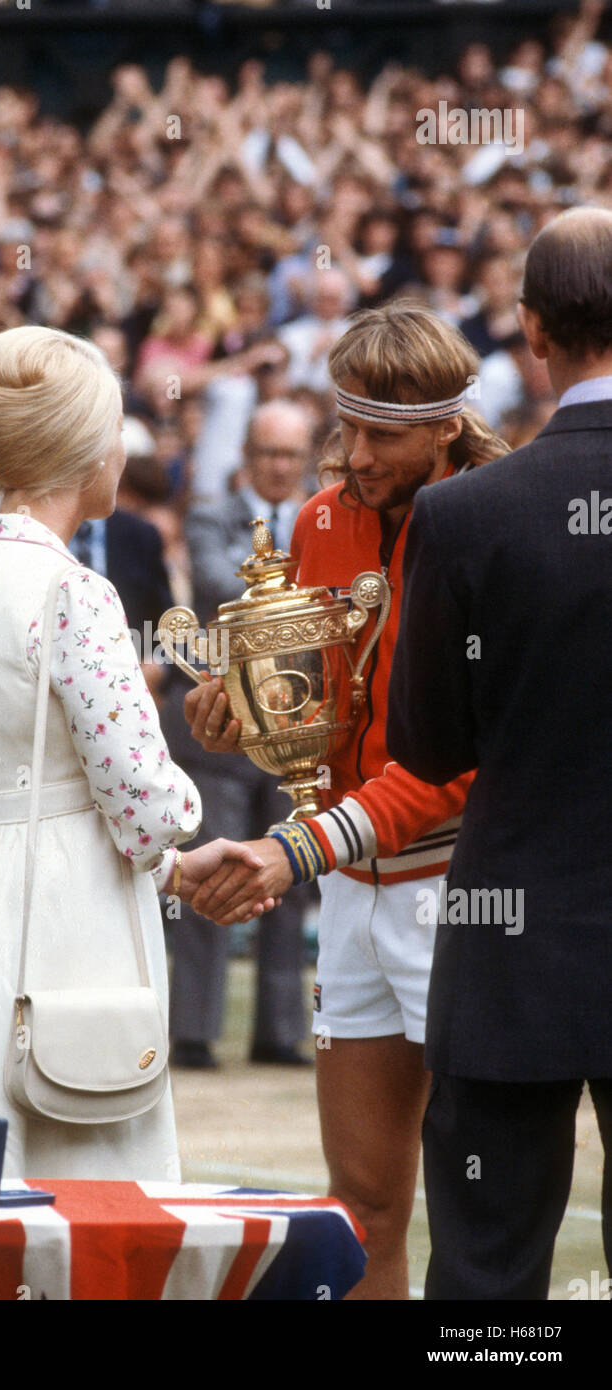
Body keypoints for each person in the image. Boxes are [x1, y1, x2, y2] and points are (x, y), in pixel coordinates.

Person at [0, 327, 276, 1212]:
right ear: (84, 448)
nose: (124, 448)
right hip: (57, 912)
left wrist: (168, 871)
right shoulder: (73, 589)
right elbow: (148, 802)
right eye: (115, 427)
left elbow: (39, 773)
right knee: (69, 1184)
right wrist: (198, 795)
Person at [186, 304, 509, 1298]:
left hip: (459, 891)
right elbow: (322, 710)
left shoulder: (495, 515)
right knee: (359, 1209)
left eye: (378, 433)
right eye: (345, 426)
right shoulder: (319, 518)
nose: (351, 454)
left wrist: (300, 845)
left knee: (479, 1216)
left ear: (443, 425)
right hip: (349, 889)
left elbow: (462, 752)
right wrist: (245, 713)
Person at [387, 207, 612, 1300]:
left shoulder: (462, 511)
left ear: (528, 331)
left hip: (511, 936)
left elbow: (425, 742)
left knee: (484, 1270)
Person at [163, 400, 315, 1069]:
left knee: (287, 880)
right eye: (269, 454)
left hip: (297, 725)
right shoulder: (207, 515)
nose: (280, 466)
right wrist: (296, 593)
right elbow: (214, 582)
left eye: (291, 455)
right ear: (247, 459)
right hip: (218, 728)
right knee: (212, 874)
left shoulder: (319, 518)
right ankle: (193, 1031)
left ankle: (278, 1033)